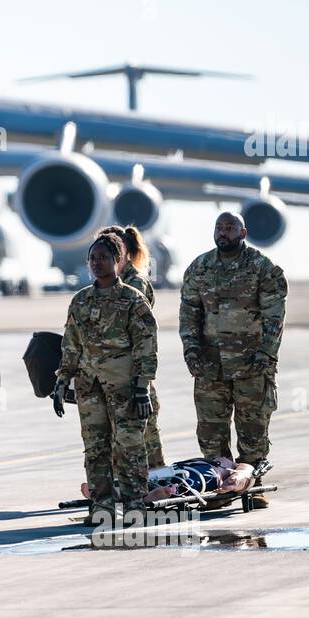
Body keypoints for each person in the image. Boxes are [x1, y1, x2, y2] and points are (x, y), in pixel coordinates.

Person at [178, 211, 288, 507]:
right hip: (209, 365)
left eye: (229, 228)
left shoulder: (261, 267)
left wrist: (266, 354)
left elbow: (274, 316)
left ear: (243, 232)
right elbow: (189, 313)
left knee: (252, 429)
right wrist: (191, 350)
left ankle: (254, 483)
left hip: (251, 364)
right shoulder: (199, 268)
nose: (223, 233)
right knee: (211, 430)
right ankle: (219, 487)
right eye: (219, 227)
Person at [52, 232, 158, 517]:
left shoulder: (133, 300)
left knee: (130, 448)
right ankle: (102, 508)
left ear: (118, 260)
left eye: (103, 258)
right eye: (92, 258)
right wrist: (62, 381)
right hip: (89, 387)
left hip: (124, 387)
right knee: (95, 449)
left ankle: (136, 506)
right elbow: (71, 344)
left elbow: (146, 346)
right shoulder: (80, 301)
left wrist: (142, 386)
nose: (97, 263)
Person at [97, 225, 166, 468]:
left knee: (145, 434)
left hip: (133, 371)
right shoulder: (105, 282)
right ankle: (124, 482)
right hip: (111, 373)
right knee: (117, 433)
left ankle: (156, 480)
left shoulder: (135, 282)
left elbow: (136, 331)